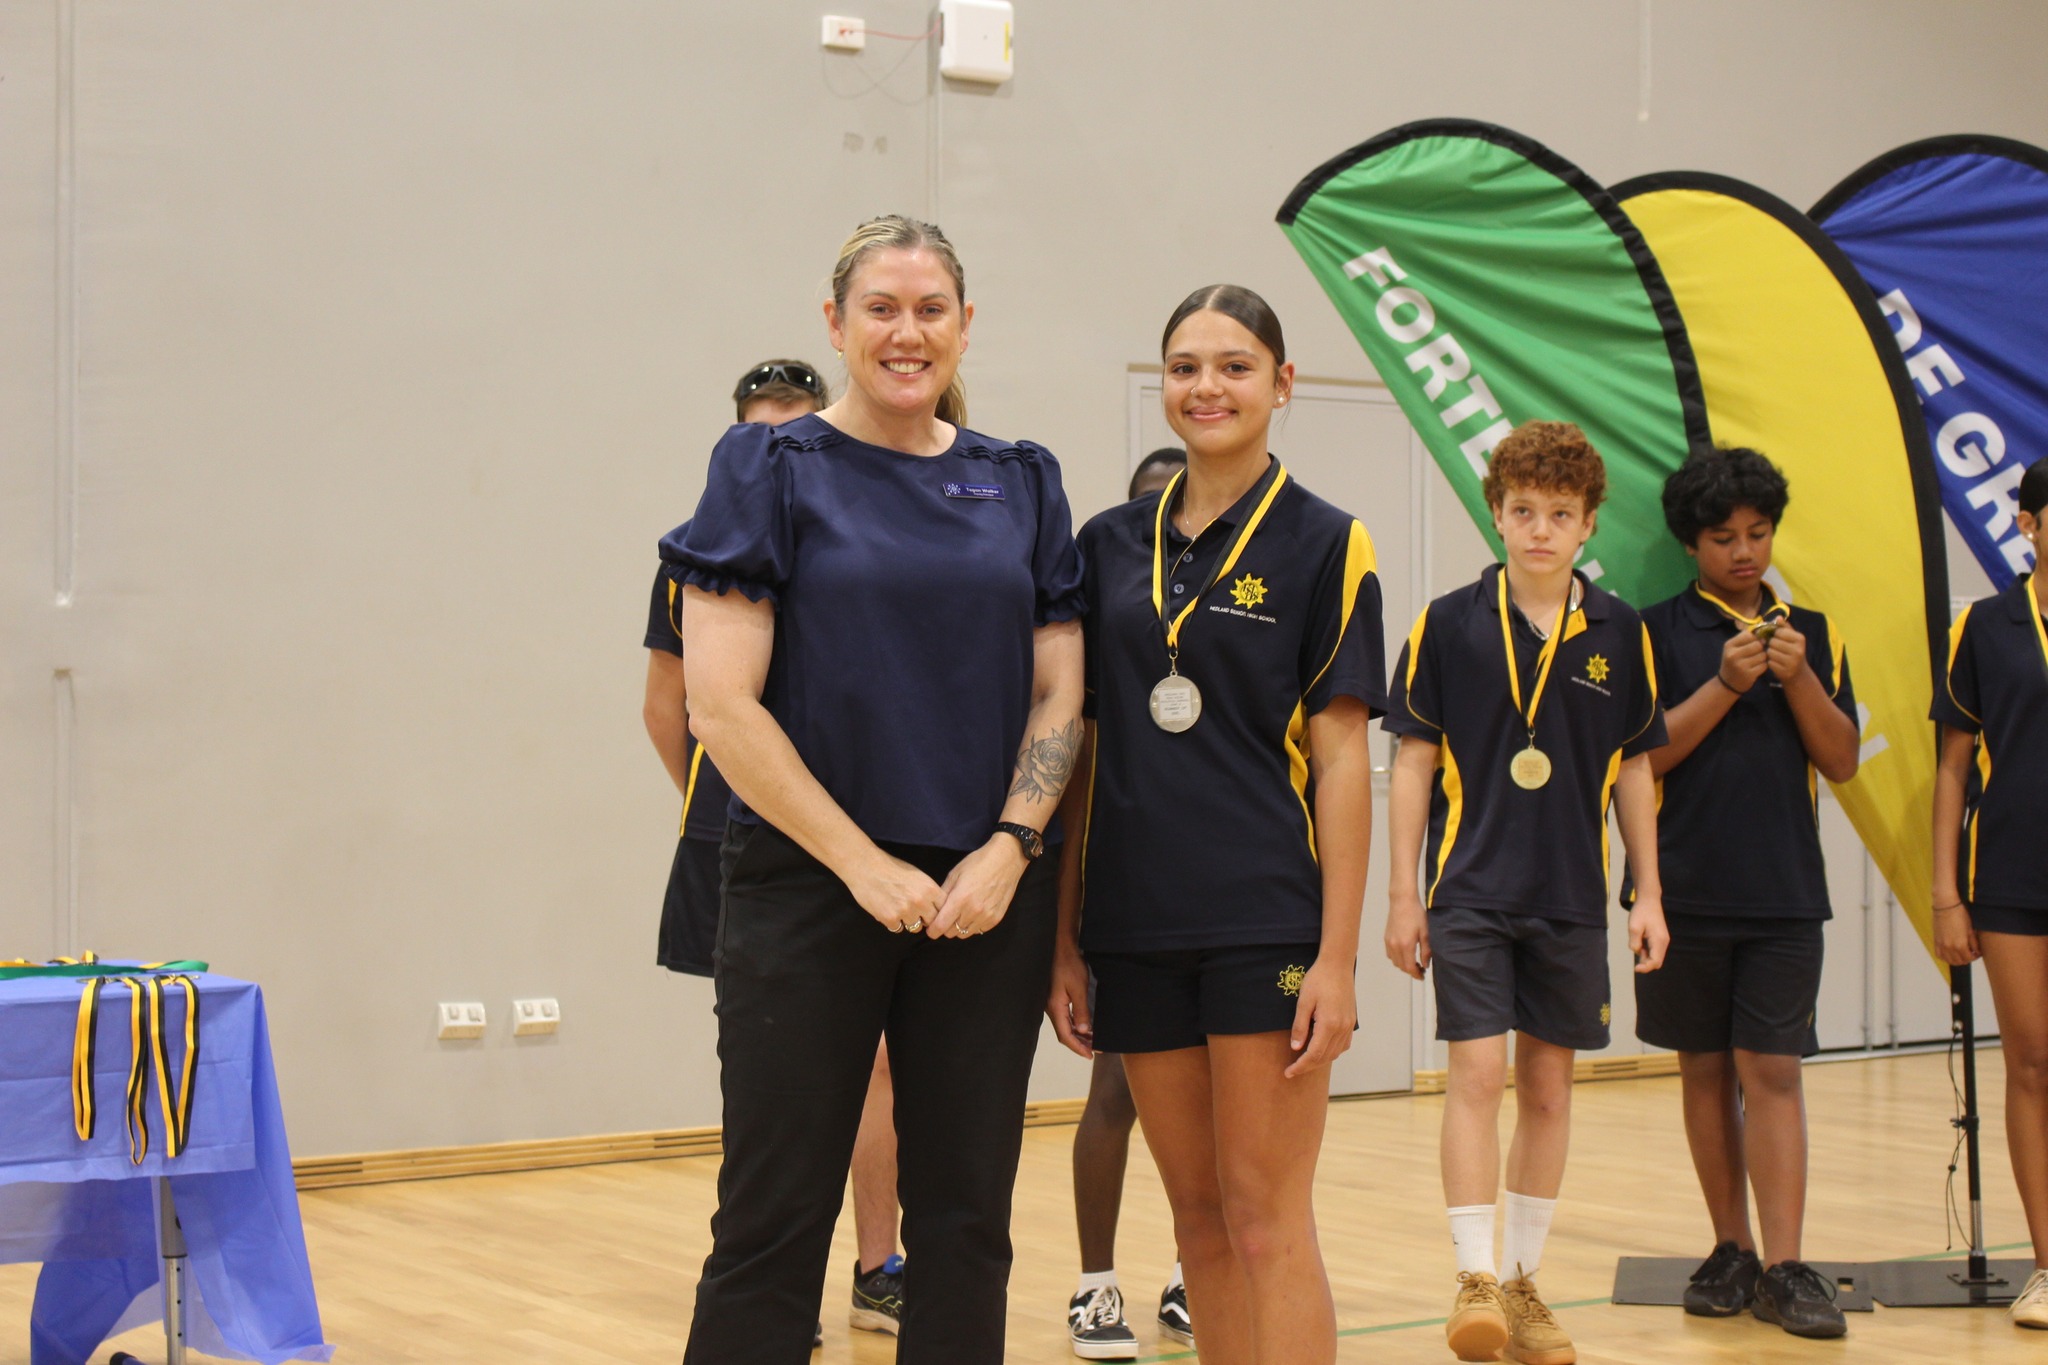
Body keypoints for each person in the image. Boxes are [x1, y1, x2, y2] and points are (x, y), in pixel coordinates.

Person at [667, 214, 1086, 1365]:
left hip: (980, 904)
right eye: (881, 309)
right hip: (807, 892)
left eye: (930, 309)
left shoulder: (1020, 481)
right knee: (771, 1218)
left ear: (963, 324)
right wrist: (860, 861)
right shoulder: (766, 469)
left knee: (966, 1223)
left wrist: (1007, 847)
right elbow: (720, 706)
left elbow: (1060, 697)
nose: (907, 333)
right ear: (836, 324)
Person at [1050, 284, 1387, 1365]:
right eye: (1186, 367)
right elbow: (1081, 753)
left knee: (1263, 1219)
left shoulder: (1328, 543)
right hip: (1135, 927)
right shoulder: (1106, 546)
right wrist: (1065, 936)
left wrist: (1335, 956)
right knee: (1194, 1222)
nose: (1207, 386)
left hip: (1264, 924)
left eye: (1234, 366)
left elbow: (1340, 760)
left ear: (1281, 385)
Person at [1382, 420, 1669, 1365]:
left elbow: (1633, 771)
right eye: (1520, 510)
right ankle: (1472, 1275)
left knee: (1548, 1087)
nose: (1538, 529)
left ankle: (1524, 1287)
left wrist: (1649, 892)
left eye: (1559, 514)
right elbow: (1413, 763)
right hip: (1467, 890)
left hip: (1573, 901)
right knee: (1474, 1075)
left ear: (1588, 524)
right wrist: (1402, 896)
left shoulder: (1622, 632)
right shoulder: (1447, 623)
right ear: (1496, 513)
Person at [642, 358, 907, 1343]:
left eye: (796, 424)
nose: (778, 444)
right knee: (769, 1078)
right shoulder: (703, 548)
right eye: (758, 429)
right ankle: (773, 1284)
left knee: (876, 1066)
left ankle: (877, 1262)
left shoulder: (868, 538)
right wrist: (738, 806)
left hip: (868, 838)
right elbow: (670, 709)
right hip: (741, 843)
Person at [1632, 447, 1859, 1339]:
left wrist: (1796, 673)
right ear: (1692, 542)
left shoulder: (1814, 630)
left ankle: (1787, 1262)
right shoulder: (1653, 631)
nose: (1744, 552)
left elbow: (1841, 758)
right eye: (1724, 537)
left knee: (1773, 1069)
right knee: (1702, 1069)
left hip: (1785, 890)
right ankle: (1729, 1246)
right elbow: (1642, 759)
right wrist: (1726, 684)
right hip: (1680, 887)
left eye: (1758, 533)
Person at [1063, 445, 1192, 1361]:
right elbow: (1069, 770)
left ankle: (1195, 1273)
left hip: (1234, 893)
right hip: (1129, 886)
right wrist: (1063, 930)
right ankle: (1094, 1283)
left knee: (1226, 1113)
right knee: (1116, 1091)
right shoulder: (1107, 603)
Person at [1931, 455, 2048, 1332]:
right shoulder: (1989, 625)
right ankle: (2047, 1264)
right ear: (2028, 521)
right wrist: (1946, 892)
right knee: (2034, 1063)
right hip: (2009, 873)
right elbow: (1952, 765)